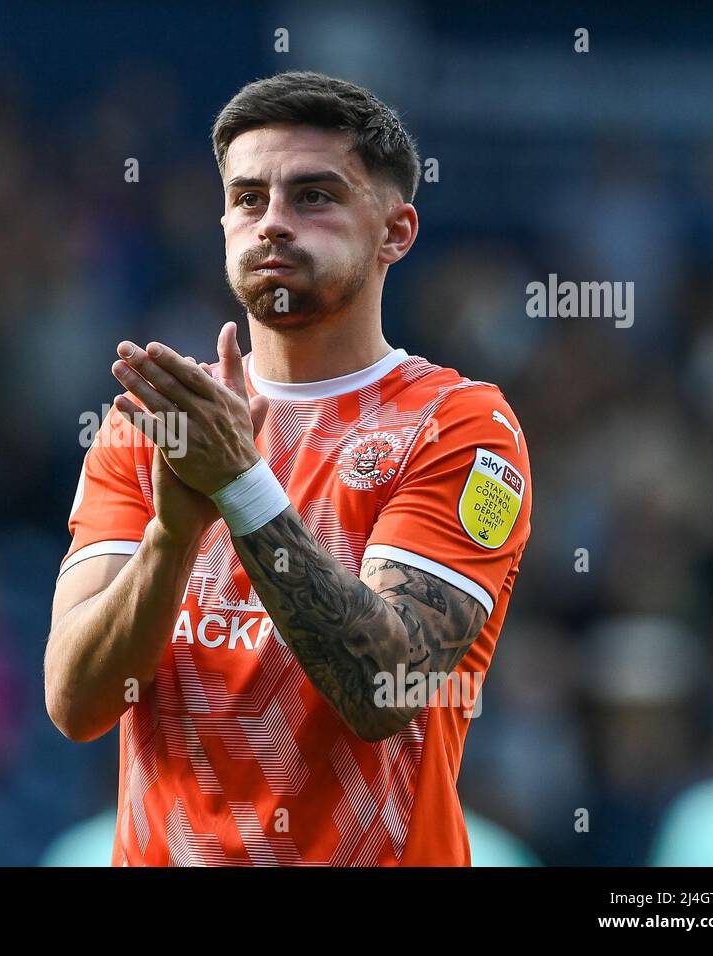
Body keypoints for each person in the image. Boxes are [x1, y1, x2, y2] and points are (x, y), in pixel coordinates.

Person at [45, 71, 533, 866]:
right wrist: (172, 535)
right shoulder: (153, 422)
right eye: (247, 199)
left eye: (313, 196)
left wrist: (239, 487)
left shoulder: (461, 425)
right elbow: (76, 703)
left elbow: (386, 690)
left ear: (396, 232)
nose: (272, 224)